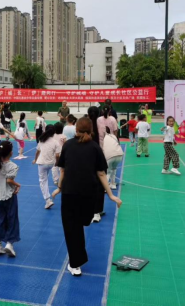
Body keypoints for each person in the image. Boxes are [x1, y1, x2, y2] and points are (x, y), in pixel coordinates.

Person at [51, 117, 122, 276]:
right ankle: (77, 259)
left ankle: (75, 264)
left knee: (72, 228)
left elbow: (62, 170)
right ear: (91, 130)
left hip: (70, 194)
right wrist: (111, 195)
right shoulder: (95, 147)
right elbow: (101, 173)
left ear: (76, 129)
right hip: (89, 194)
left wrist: (59, 188)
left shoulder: (68, 145)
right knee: (81, 223)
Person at [0, 141, 20, 257]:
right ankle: (9, 243)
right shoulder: (13, 166)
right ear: (11, 153)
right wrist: (18, 185)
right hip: (9, 196)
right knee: (11, 218)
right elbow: (9, 180)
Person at [32, 126, 61, 209]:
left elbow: (37, 152)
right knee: (46, 178)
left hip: (42, 163)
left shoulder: (42, 140)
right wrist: (57, 162)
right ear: (54, 133)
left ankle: (48, 201)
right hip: (51, 163)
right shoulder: (55, 142)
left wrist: (35, 160)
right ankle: (55, 181)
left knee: (43, 181)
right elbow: (57, 155)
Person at [87, 106, 106, 223]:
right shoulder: (102, 125)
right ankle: (97, 212)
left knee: (87, 185)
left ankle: (89, 209)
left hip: (86, 157)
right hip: (99, 156)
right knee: (99, 185)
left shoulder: (84, 124)